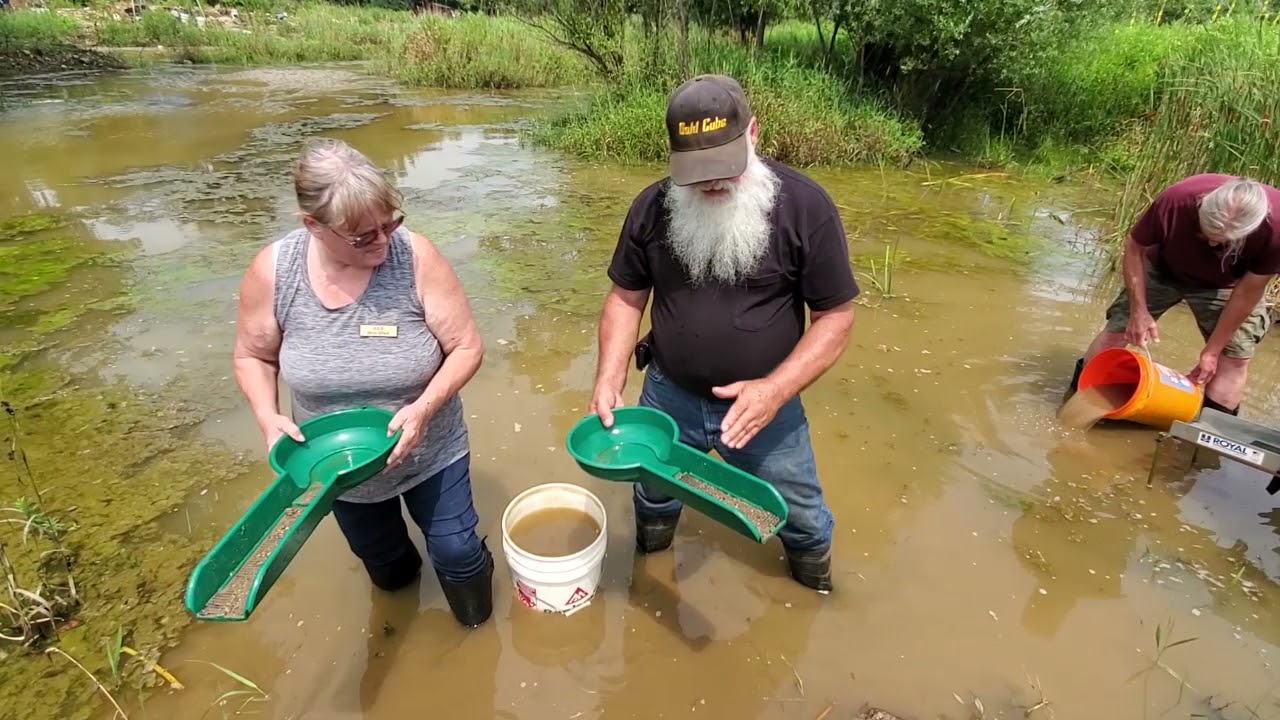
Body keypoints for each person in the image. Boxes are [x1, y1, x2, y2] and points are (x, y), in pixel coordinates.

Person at [589, 74, 859, 593]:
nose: (712, 182)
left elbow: (836, 319)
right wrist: (609, 377)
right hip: (668, 397)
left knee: (801, 516)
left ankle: (815, 592)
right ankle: (651, 574)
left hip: (765, 407)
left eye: (723, 167)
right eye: (697, 172)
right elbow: (626, 298)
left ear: (753, 133)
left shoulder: (806, 208)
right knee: (652, 498)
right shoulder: (651, 208)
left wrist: (775, 391)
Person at [232, 137, 493, 627]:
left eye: (389, 223)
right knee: (387, 571)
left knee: (458, 553)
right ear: (313, 226)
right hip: (339, 470)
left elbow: (467, 347)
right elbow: (252, 355)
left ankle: (478, 630)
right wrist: (268, 419)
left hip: (429, 448)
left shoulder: (415, 259)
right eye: (361, 236)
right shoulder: (274, 273)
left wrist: (423, 408)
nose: (382, 241)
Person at [1065, 173, 1280, 416]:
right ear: (1201, 207)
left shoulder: (1277, 229)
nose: (1211, 246)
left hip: (1228, 285)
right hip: (1162, 268)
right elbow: (1134, 248)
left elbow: (1247, 293)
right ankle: (1073, 403)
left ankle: (1204, 442)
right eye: (1205, 234)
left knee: (1233, 358)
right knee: (1117, 330)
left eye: (1224, 242)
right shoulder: (1177, 199)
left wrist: (1212, 350)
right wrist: (1138, 311)